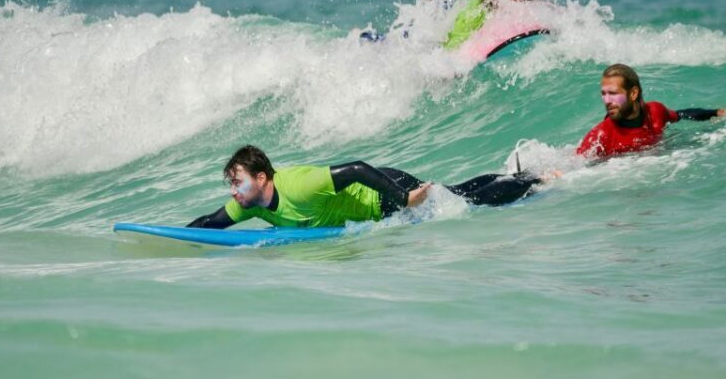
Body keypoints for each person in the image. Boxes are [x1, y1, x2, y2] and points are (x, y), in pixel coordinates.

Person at [187, 145, 542, 229]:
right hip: (379, 205)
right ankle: (516, 176)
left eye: (237, 182)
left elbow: (356, 169)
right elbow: (211, 223)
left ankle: (530, 182)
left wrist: (405, 197)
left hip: (386, 192)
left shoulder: (299, 186)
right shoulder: (250, 203)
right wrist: (165, 237)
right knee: (460, 193)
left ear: (261, 177)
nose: (233, 191)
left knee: (469, 202)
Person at [577, 63, 725, 158]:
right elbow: (576, 162)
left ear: (633, 93)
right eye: (604, 94)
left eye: (613, 93)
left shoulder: (655, 111)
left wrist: (715, 113)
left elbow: (681, 115)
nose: (607, 101)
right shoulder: (601, 134)